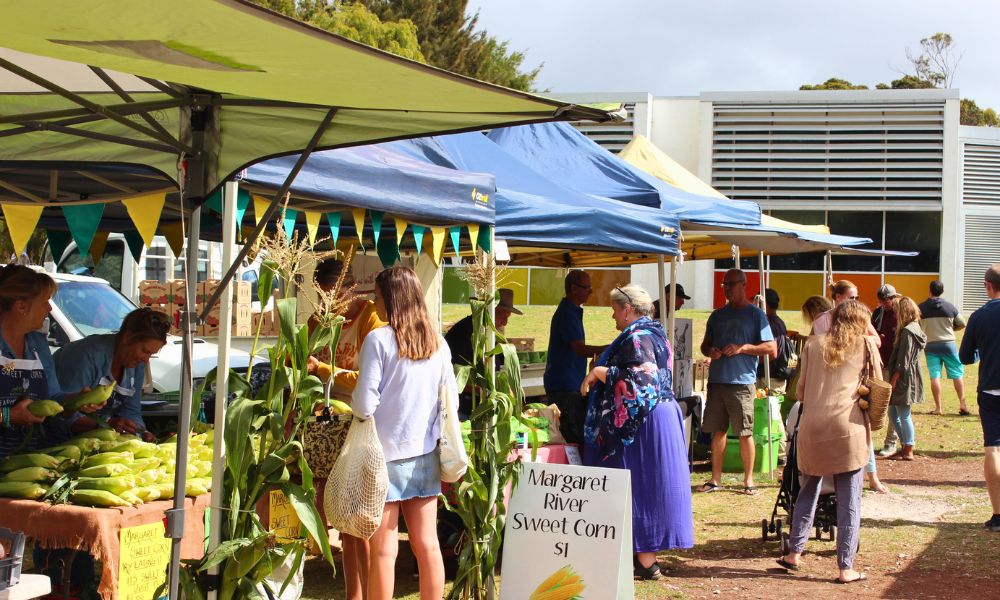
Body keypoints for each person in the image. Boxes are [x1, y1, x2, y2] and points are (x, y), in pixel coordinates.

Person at [580, 284, 694, 580]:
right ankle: (644, 559)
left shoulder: (637, 336)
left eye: (616, 309)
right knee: (647, 487)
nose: (612, 315)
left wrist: (599, 372)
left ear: (628, 310)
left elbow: (641, 383)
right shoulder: (654, 332)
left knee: (641, 486)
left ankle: (645, 561)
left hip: (645, 421)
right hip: (658, 416)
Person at [353, 266, 453, 599]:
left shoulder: (378, 339)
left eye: (378, 296)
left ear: (392, 299)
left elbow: (364, 404)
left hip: (384, 455)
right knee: (427, 545)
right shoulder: (437, 342)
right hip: (425, 453)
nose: (374, 302)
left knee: (384, 549)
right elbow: (448, 400)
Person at [776, 300, 873, 583]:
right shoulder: (866, 346)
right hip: (848, 427)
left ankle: (794, 552)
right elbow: (877, 388)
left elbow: (802, 391)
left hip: (812, 427)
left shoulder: (811, 345)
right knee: (849, 497)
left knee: (808, 490)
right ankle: (845, 567)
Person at [306, 258, 386, 600]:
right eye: (324, 296)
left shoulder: (371, 320)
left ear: (350, 289)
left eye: (335, 295)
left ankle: (364, 592)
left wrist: (323, 369)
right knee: (339, 515)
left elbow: (367, 382)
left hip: (358, 426)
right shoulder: (317, 321)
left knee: (357, 516)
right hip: (326, 427)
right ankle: (354, 591)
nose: (330, 304)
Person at [699, 269, 776, 496]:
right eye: (724, 284)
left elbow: (771, 349)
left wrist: (743, 348)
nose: (727, 288)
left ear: (744, 285)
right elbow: (705, 345)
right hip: (717, 381)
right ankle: (715, 479)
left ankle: (749, 480)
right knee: (717, 431)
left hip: (742, 382)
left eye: (731, 284)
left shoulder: (755, 315)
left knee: (745, 432)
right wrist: (710, 351)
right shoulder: (717, 315)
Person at [809, 281, 888, 494]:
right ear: (838, 297)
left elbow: (876, 340)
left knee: (861, 433)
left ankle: (872, 477)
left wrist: (855, 341)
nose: (854, 301)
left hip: (853, 385)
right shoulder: (822, 320)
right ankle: (830, 482)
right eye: (850, 297)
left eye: (856, 297)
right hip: (828, 383)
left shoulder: (859, 317)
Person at [54, 307, 169, 441]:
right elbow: (62, 413)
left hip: (100, 442)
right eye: (145, 351)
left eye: (151, 354)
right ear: (127, 337)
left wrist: (140, 432)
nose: (146, 359)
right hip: (58, 443)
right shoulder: (84, 356)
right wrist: (105, 426)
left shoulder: (136, 363)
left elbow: (131, 410)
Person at [0, 265, 68, 458]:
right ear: (21, 306)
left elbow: (53, 397)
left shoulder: (38, 344)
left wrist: (77, 400)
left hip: (27, 465)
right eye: (44, 301)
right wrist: (9, 416)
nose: (49, 308)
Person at [958, 263, 1000, 532]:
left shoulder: (978, 316)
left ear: (987, 285)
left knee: (993, 449)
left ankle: (998, 514)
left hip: (990, 389)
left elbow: (965, 357)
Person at [544, 270, 606, 444]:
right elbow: (579, 349)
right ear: (573, 289)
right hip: (564, 385)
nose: (591, 291)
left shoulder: (572, 311)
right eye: (587, 287)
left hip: (568, 382)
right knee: (569, 435)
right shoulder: (567, 313)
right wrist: (607, 349)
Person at [919, 280, 969, 416]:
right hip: (949, 344)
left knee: (935, 376)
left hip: (931, 345)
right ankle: (963, 404)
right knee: (957, 374)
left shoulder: (921, 308)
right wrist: (952, 329)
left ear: (930, 291)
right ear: (942, 291)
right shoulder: (950, 307)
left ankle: (938, 408)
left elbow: (916, 324)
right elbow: (962, 323)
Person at [885, 297, 926, 462]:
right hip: (904, 375)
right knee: (893, 412)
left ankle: (908, 448)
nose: (895, 313)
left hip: (903, 378)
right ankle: (904, 445)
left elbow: (904, 360)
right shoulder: (911, 328)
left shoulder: (909, 331)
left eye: (897, 311)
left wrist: (894, 379)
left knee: (903, 413)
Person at [872, 284, 902, 456]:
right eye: (882, 301)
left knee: (894, 405)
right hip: (880, 363)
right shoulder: (877, 313)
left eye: (887, 300)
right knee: (879, 402)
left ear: (893, 297)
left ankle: (891, 442)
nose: (885, 304)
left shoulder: (901, 313)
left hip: (895, 365)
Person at [756, 288, 792, 394]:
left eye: (757, 302)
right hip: (772, 378)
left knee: (769, 410)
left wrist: (752, 361)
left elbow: (772, 353)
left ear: (764, 304)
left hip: (770, 380)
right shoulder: (778, 322)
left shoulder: (769, 325)